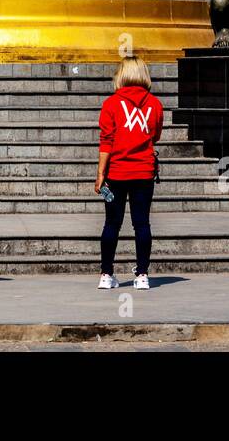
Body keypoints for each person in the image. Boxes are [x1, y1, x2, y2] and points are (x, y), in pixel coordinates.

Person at [94, 56, 163, 291]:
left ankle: (106, 274)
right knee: (142, 224)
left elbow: (106, 142)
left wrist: (100, 174)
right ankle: (142, 274)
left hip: (116, 173)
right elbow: (155, 135)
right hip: (143, 173)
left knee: (112, 223)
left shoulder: (111, 104)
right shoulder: (154, 103)